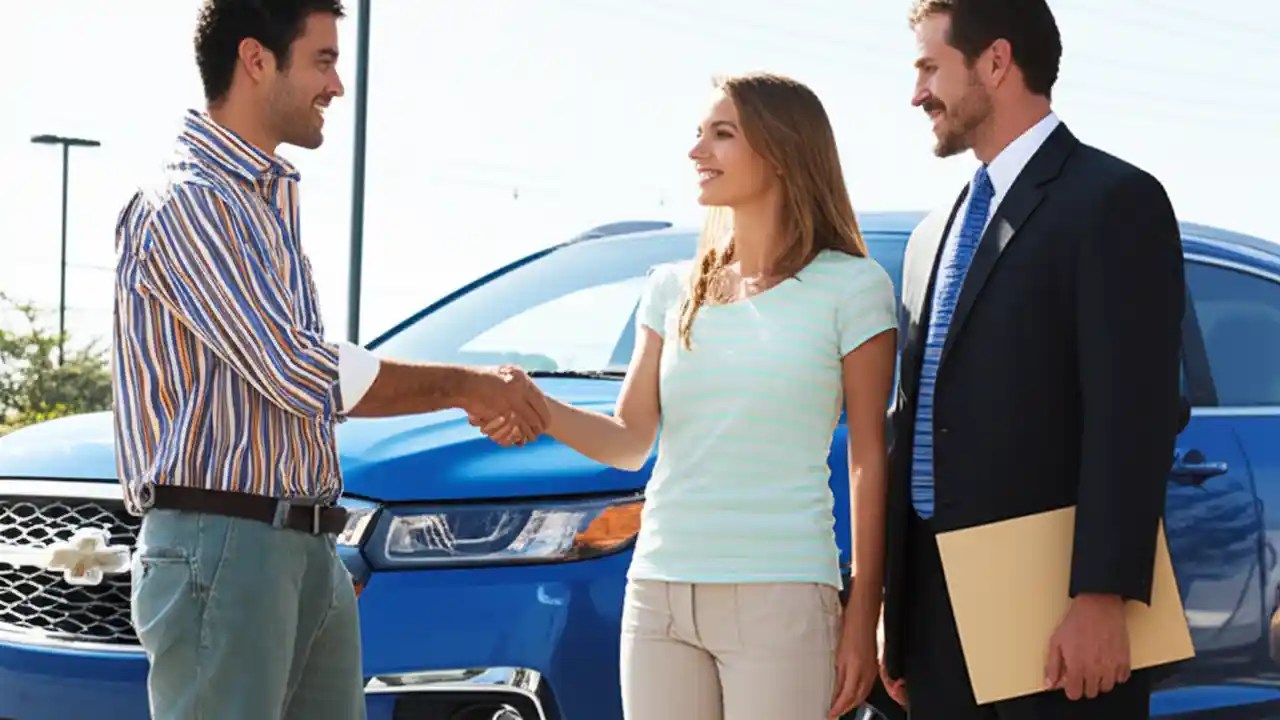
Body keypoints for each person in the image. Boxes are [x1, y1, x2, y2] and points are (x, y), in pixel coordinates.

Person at [112, 2, 548, 718]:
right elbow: (295, 369)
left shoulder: (261, 206)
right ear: (257, 60)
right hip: (223, 548)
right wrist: (468, 386)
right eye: (323, 60)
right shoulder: (189, 202)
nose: (337, 85)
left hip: (305, 548)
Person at [473, 72, 899, 720]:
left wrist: (865, 608)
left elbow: (869, 456)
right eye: (698, 134)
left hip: (780, 593)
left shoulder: (853, 287)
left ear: (782, 150)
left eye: (721, 134)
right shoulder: (674, 289)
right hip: (658, 593)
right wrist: (537, 407)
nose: (697, 152)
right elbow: (628, 441)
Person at [877, 1, 1186, 718]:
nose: (917, 93)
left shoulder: (1115, 201)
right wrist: (899, 602)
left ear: (995, 61)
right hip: (934, 617)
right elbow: (914, 421)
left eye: (930, 67)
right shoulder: (931, 238)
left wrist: (1101, 596)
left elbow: (1133, 415)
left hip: (1053, 619)